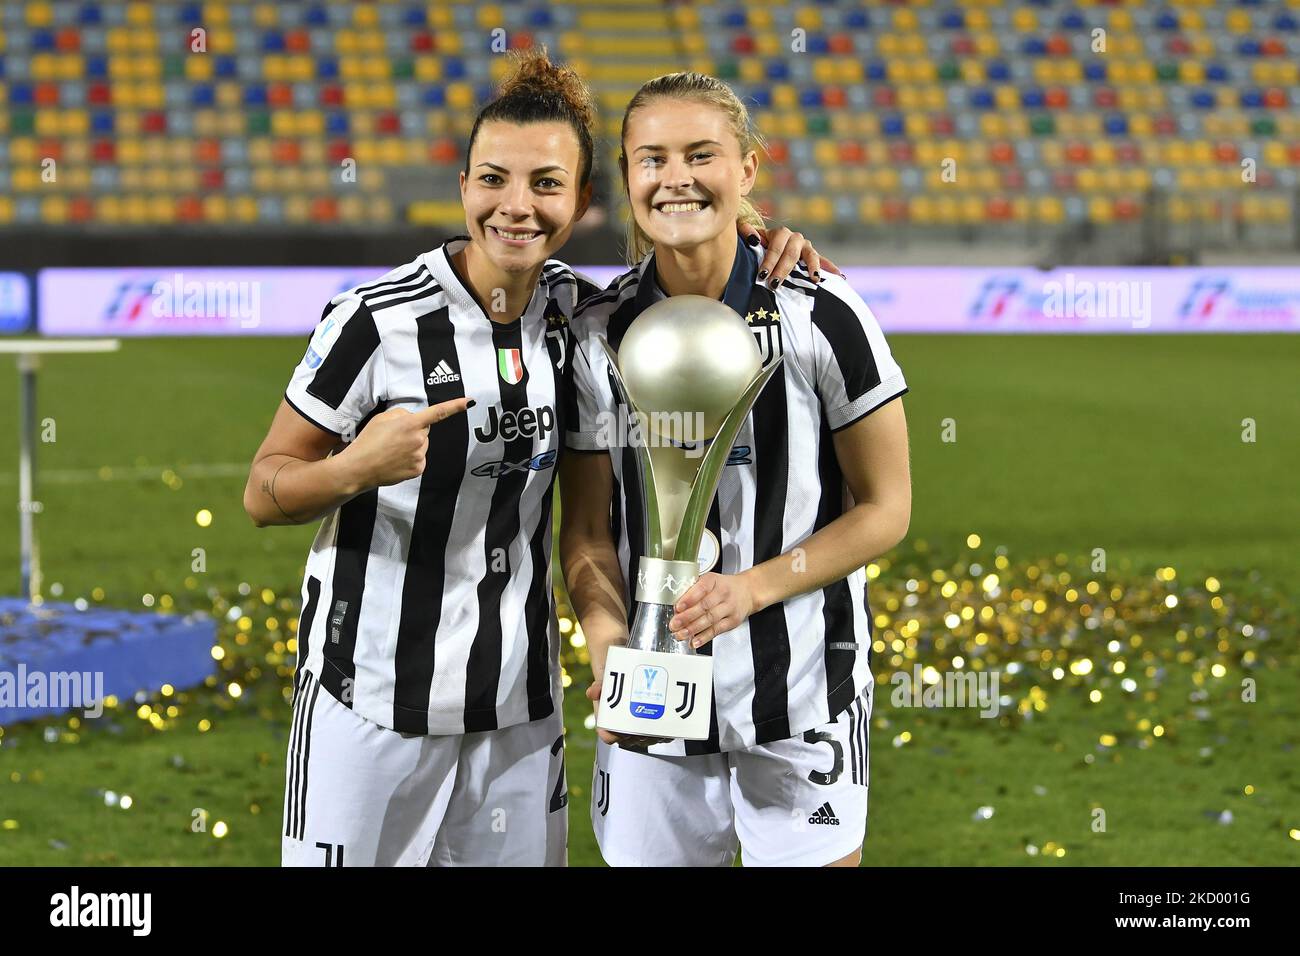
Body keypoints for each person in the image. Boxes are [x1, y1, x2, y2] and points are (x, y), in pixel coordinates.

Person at [243, 50, 833, 866]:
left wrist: (766, 238)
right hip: (370, 696)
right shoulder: (374, 322)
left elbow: (695, 270)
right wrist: (352, 469)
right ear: (463, 187)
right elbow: (265, 490)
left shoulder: (579, 321)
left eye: (545, 184)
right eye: (494, 180)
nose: (515, 206)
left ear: (582, 202)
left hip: (518, 712)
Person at [561, 71, 913, 867]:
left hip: (803, 696)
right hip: (650, 703)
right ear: (626, 180)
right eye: (651, 159)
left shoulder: (823, 313)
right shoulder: (595, 333)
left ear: (746, 170)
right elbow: (584, 531)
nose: (675, 178)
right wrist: (610, 645)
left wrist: (751, 589)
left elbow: (886, 508)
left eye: (700, 154)